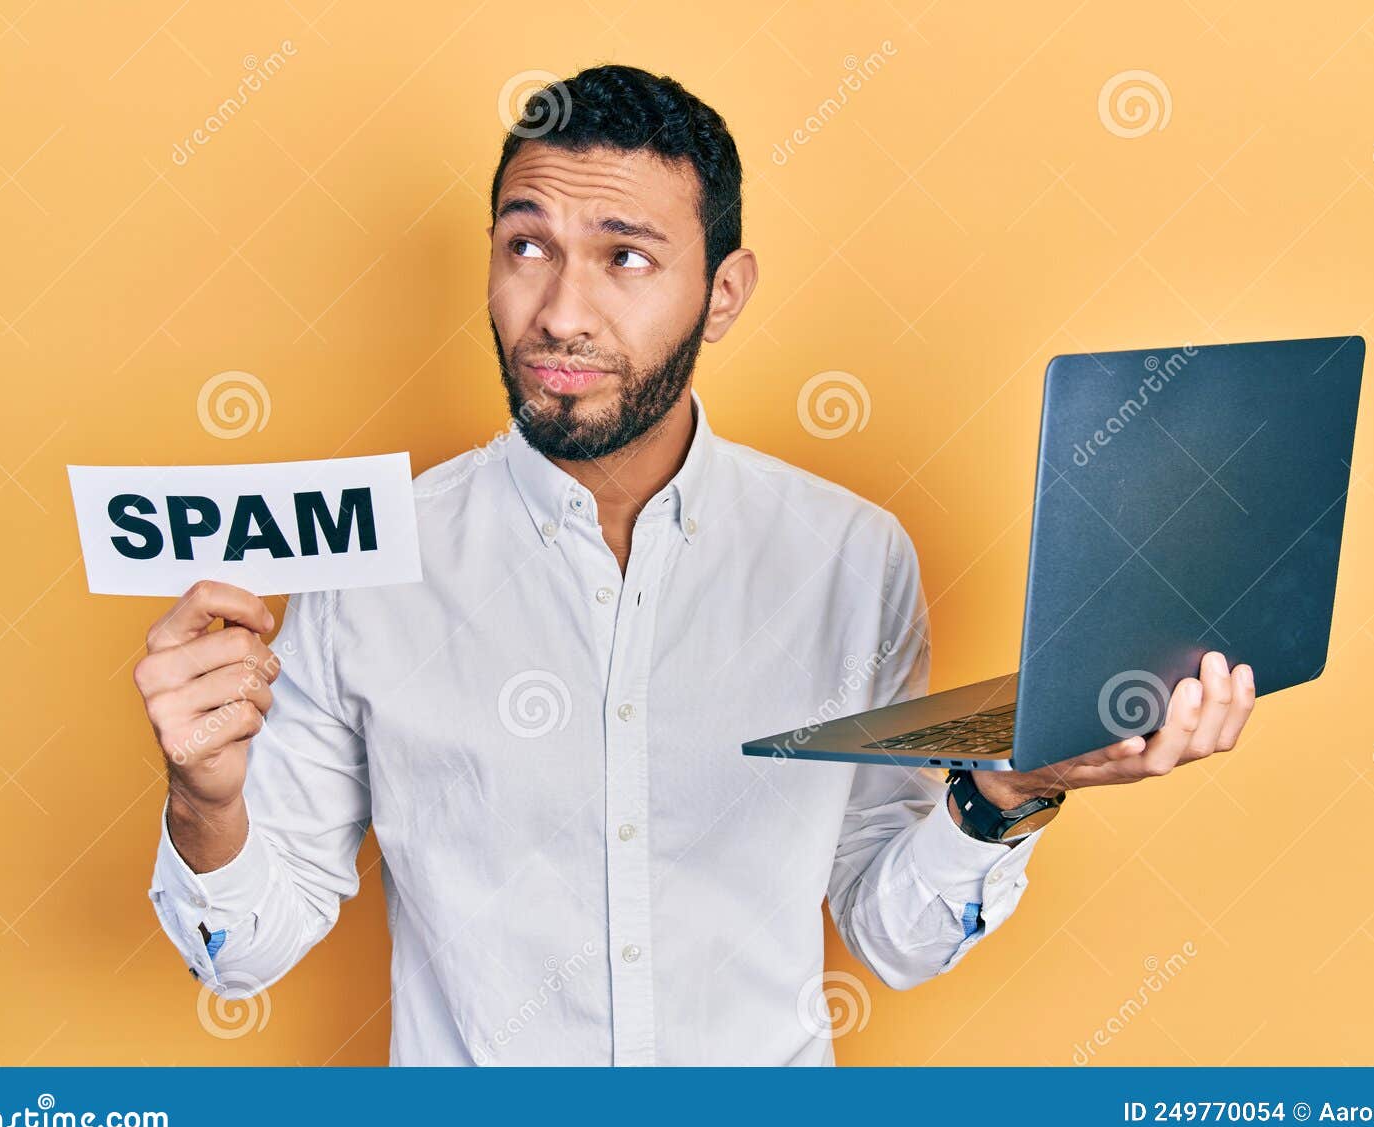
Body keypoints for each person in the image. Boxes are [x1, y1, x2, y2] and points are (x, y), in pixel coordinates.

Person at [134, 64, 1255, 1065]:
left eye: (626, 256)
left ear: (722, 292)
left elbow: (892, 933)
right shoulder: (364, 562)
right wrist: (205, 797)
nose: (560, 313)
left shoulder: (849, 556)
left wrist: (1007, 793)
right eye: (527, 246)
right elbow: (241, 951)